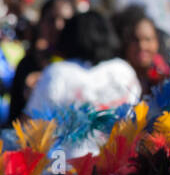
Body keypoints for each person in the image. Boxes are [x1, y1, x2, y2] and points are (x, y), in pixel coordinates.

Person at [24, 10, 142, 154]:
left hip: (64, 168)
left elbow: (30, 128)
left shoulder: (57, 73)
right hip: (116, 167)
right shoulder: (124, 71)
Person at [8, 0, 74, 122]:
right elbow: (14, 118)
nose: (58, 25)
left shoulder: (80, 65)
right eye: (51, 19)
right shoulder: (27, 64)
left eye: (65, 20)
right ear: (41, 23)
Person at [114, 4, 170, 96]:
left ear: (157, 42)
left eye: (148, 39)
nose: (142, 46)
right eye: (135, 40)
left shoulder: (166, 79)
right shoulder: (117, 78)